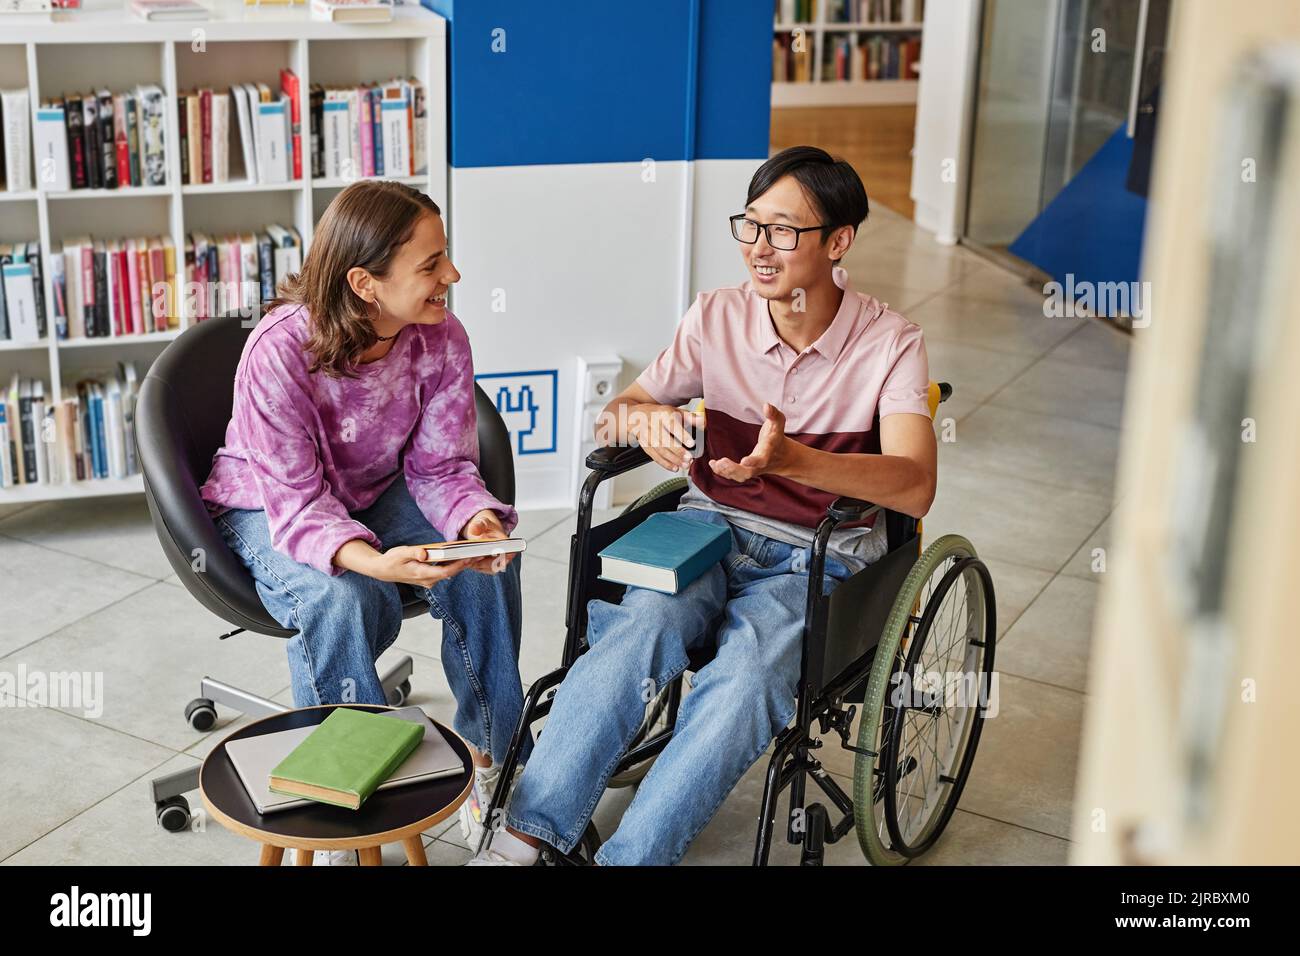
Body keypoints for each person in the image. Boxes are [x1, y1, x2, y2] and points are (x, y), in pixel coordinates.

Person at [473, 146, 937, 866]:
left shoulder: (890, 345)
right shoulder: (717, 317)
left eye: (783, 231)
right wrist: (644, 419)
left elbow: (915, 485)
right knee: (638, 632)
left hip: (819, 553)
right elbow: (615, 416)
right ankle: (521, 840)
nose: (759, 248)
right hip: (706, 530)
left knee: (746, 676)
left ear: (838, 241)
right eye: (749, 226)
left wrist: (795, 462)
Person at [200, 181, 527, 855]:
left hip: (372, 492)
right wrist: (374, 561)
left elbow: (441, 469)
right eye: (431, 264)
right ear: (365, 283)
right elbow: (295, 503)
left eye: (447, 257)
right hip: (263, 504)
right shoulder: (279, 352)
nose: (453, 276)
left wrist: (473, 523)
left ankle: (494, 756)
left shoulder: (441, 337)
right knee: (341, 593)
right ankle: (342, 792)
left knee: (480, 569)